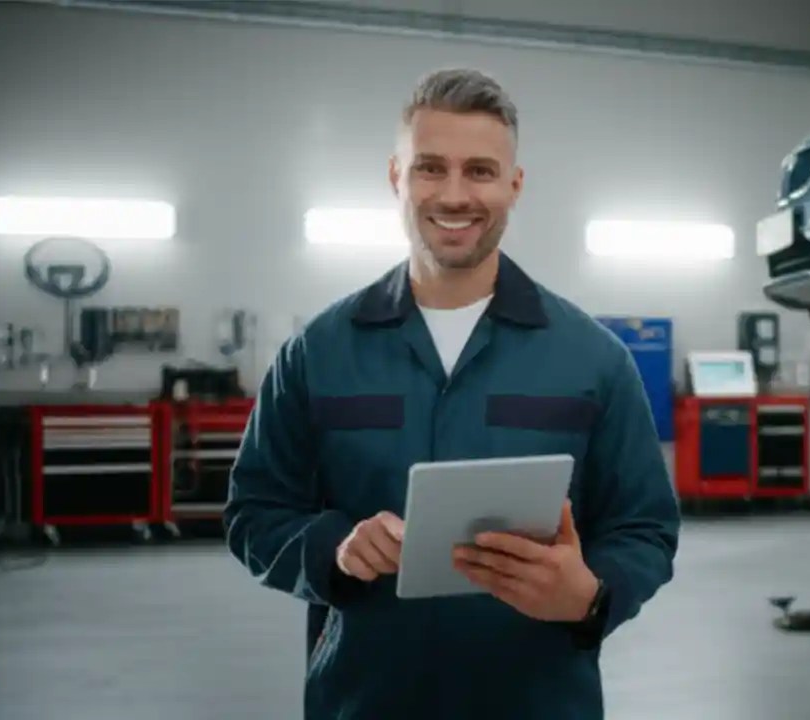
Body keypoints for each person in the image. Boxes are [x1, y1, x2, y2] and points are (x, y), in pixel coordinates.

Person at [223, 67, 681, 719]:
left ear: (514, 185)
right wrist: (334, 549)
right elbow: (254, 511)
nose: (455, 195)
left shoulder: (592, 359)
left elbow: (645, 526)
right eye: (431, 168)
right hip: (364, 702)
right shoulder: (319, 352)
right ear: (395, 178)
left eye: (481, 171)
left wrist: (592, 595)